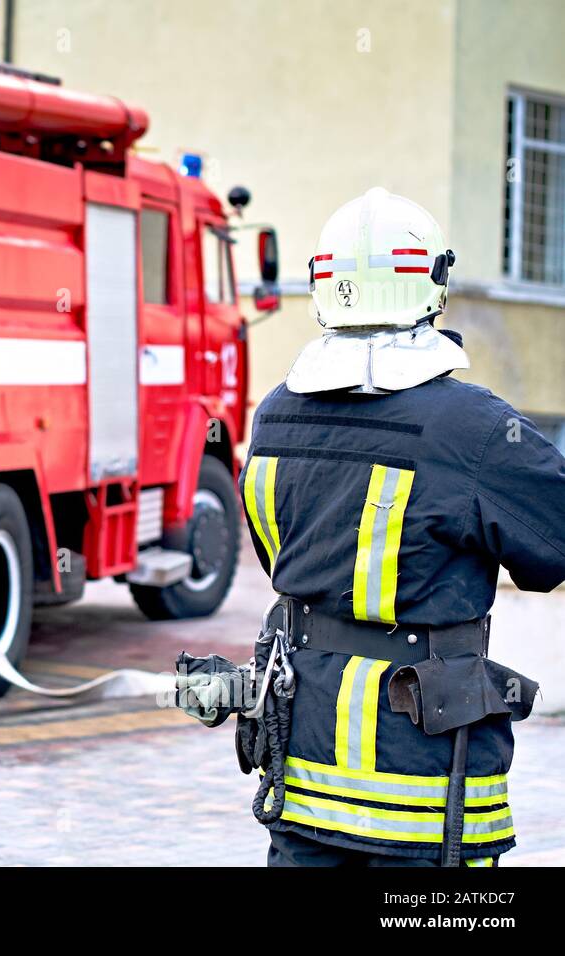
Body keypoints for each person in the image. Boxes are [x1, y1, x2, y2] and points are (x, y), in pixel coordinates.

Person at [237, 187, 565, 866]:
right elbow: (551, 550)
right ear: (432, 285)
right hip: (422, 799)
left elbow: (281, 553)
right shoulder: (471, 426)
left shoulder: (273, 414)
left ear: (323, 286)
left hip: (301, 775)